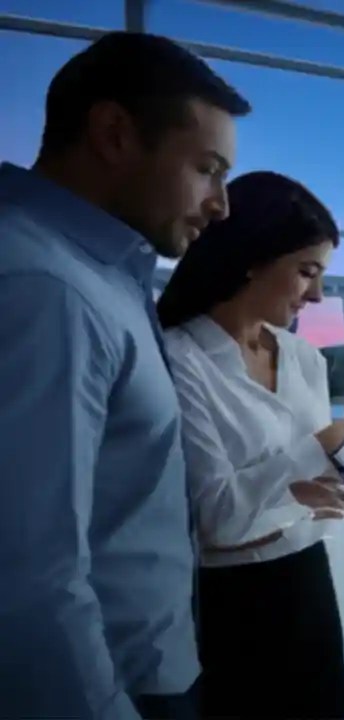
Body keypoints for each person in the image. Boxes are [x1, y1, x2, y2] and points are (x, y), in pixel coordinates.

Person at [0, 32, 250, 719]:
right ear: (114, 134)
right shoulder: (46, 287)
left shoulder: (101, 274)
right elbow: (29, 577)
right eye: (207, 169)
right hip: (112, 688)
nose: (221, 204)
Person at [157, 170, 344, 719]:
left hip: (310, 578)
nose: (317, 295)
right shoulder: (180, 360)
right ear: (253, 258)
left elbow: (308, 492)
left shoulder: (304, 359)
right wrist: (316, 451)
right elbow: (216, 520)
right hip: (233, 604)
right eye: (306, 272)